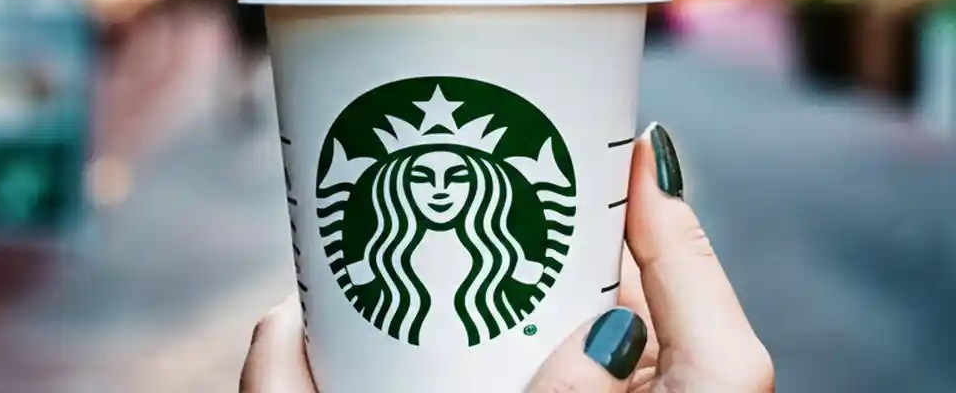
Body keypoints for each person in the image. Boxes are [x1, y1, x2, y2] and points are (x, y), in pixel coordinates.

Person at [241, 124, 775, 392]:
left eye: (457, 176)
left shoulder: (498, 266)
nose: (440, 190)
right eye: (423, 176)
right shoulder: (390, 266)